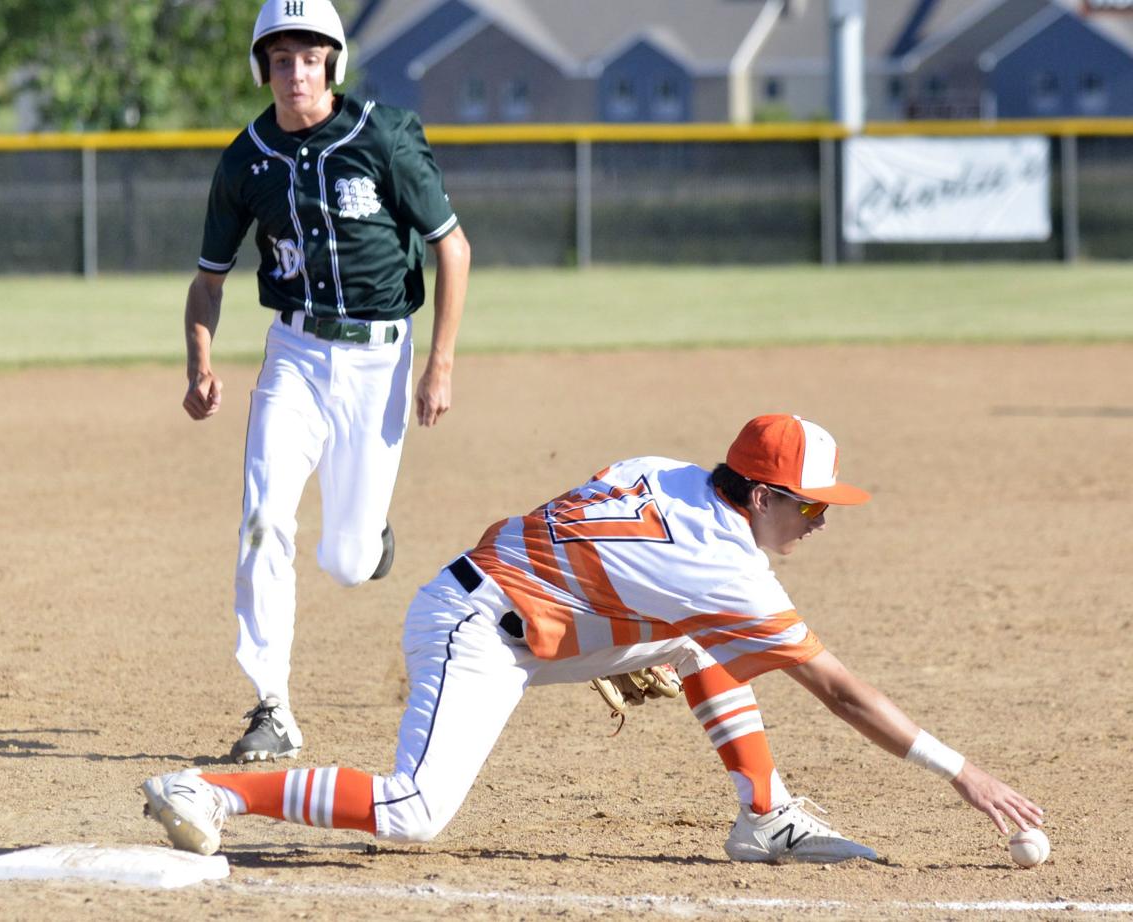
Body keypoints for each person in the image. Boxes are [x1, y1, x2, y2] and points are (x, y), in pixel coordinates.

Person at [144, 414, 1043, 863]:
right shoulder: (728, 568)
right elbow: (841, 692)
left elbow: (568, 533)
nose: (820, 524)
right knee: (414, 811)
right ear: (763, 498)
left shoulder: (670, 472)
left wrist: (611, 632)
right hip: (477, 630)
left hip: (522, 611)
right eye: (810, 507)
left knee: (693, 642)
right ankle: (211, 790)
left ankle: (764, 819)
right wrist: (963, 773)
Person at [182, 0, 470, 763]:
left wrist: (439, 364)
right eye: (282, 58)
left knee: (345, 562)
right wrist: (199, 361)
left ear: (332, 65)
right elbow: (209, 280)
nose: (296, 72)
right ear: (264, 68)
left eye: (311, 57)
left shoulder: (382, 136)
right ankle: (271, 704)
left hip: (381, 358)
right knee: (263, 521)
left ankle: (370, 537)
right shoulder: (245, 158)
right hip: (296, 358)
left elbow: (454, 249)